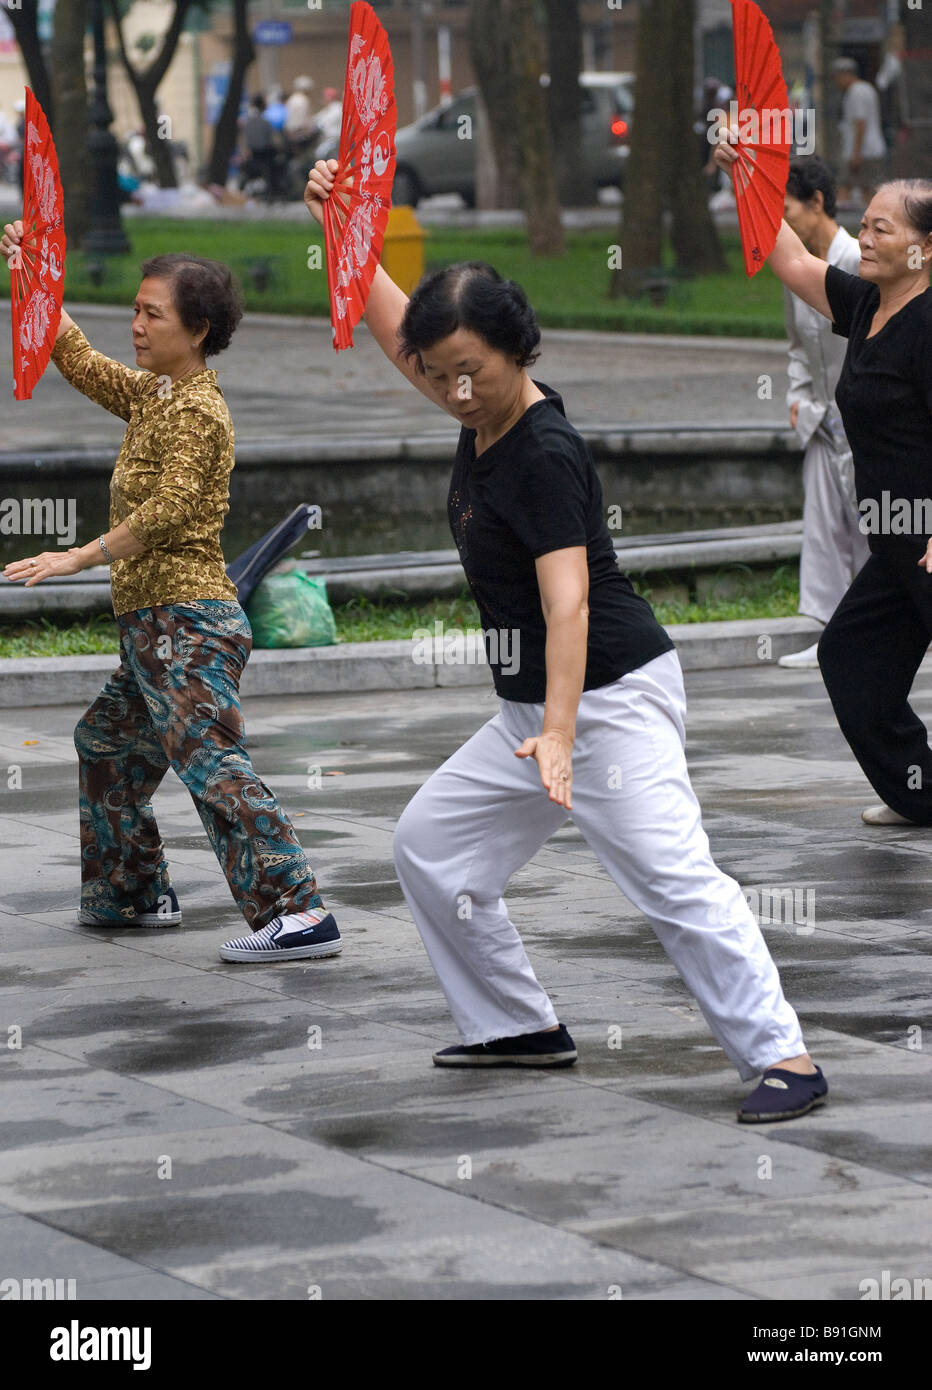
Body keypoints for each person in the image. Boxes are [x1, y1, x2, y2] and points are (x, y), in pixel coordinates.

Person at [298, 159, 829, 1124]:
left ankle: (784, 1056)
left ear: (518, 353)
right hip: (535, 707)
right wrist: (345, 225)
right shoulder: (477, 405)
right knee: (431, 848)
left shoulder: (539, 449)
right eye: (442, 372)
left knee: (671, 878)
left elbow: (569, 606)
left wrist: (561, 734)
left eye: (475, 372)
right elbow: (396, 331)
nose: (455, 391)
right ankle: (517, 1027)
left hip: (609, 696)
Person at [0, 228, 341, 964]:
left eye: (154, 314)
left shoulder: (197, 412)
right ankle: (132, 893)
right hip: (153, 628)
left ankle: (299, 911)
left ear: (200, 329)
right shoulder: (157, 395)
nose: (137, 324)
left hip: (189, 624)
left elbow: (167, 514)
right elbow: (80, 359)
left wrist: (78, 556)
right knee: (107, 743)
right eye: (137, 310)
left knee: (210, 761)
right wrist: (33, 278)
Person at [714, 140, 932, 827]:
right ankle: (918, 790)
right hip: (896, 545)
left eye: (881, 229)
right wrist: (748, 173)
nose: (861, 237)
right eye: (862, 225)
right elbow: (791, 259)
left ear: (925, 247)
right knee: (850, 660)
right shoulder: (870, 304)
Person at [779, 156, 869, 669]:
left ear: (816, 202)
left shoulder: (859, 260)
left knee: (871, 527)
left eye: (788, 208)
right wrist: (796, 398)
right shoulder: (795, 268)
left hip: (862, 418)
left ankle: (882, 632)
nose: (785, 220)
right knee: (824, 526)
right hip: (820, 418)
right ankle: (832, 637)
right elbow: (796, 344)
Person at [832, 58, 887, 205]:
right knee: (866, 190)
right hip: (871, 150)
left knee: (844, 187)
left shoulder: (856, 92)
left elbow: (860, 123)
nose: (836, 82)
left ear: (846, 75)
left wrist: (856, 153)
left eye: (837, 77)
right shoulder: (867, 88)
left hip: (862, 151)